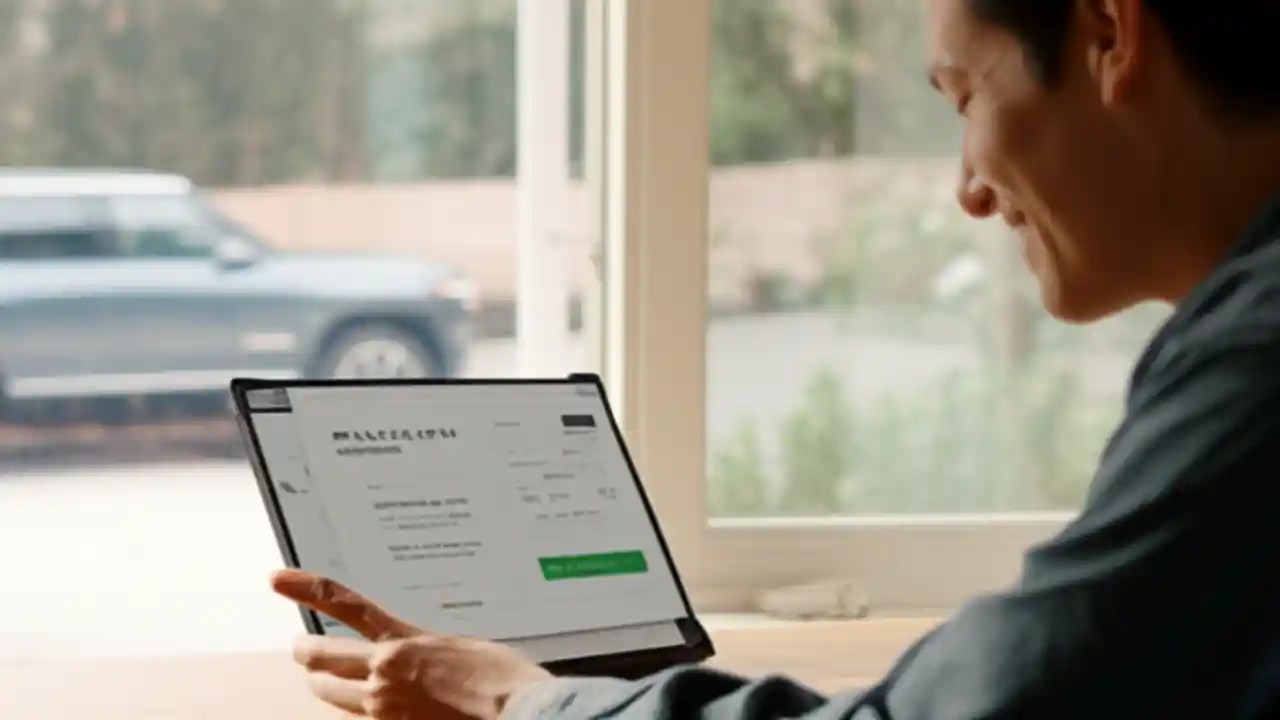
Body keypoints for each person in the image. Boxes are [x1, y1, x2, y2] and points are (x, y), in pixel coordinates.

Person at [270, 0, 1280, 717]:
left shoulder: (1252, 363)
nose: (967, 189)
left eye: (963, 96)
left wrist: (517, 699)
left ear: (1107, 33)